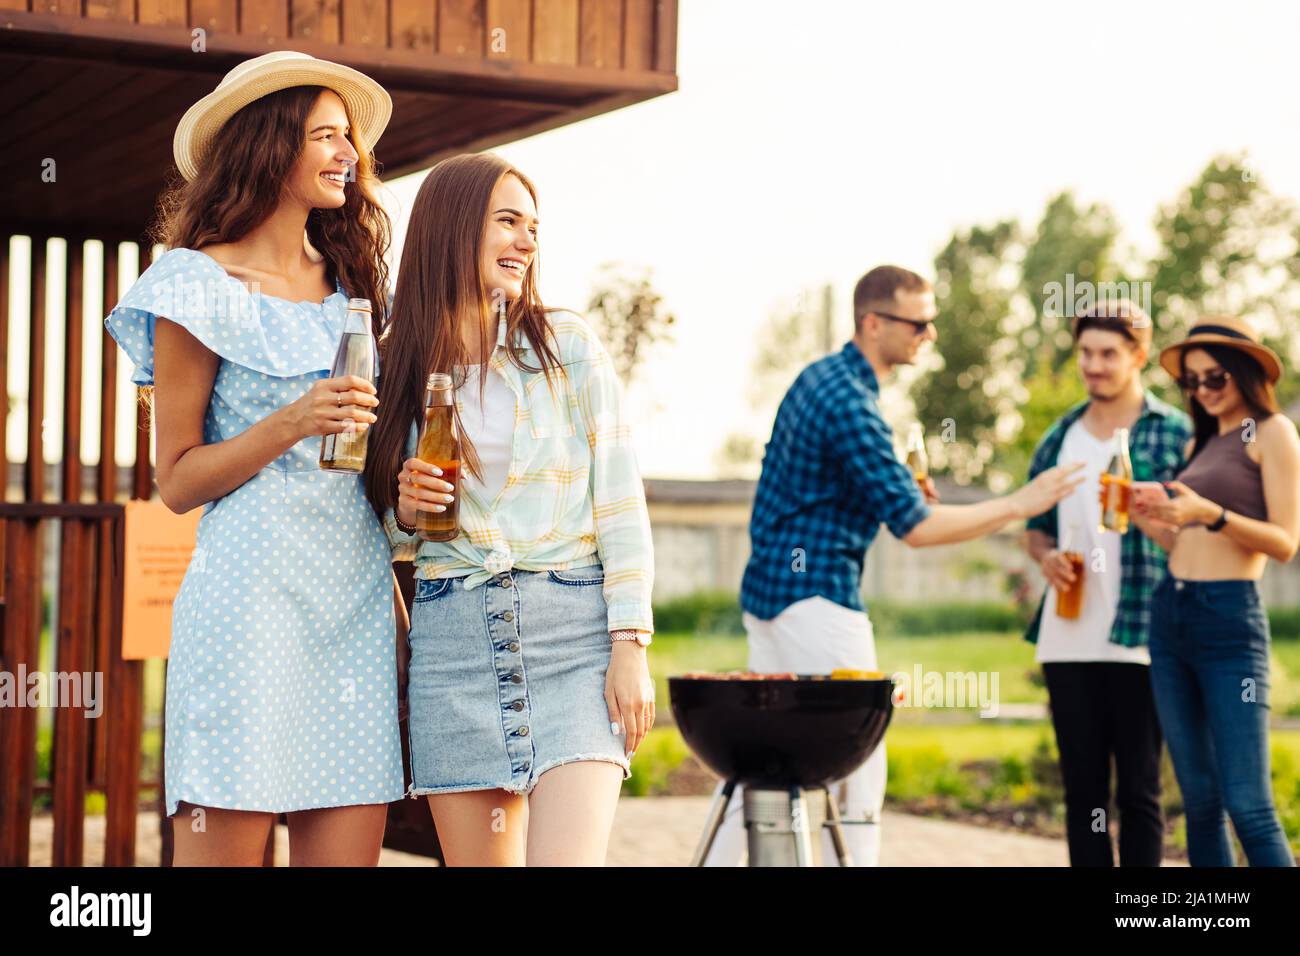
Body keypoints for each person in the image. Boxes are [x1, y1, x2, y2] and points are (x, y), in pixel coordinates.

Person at [104, 51, 405, 865]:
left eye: (351, 139)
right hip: (247, 607)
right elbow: (176, 479)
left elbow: (373, 465)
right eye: (326, 135)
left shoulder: (352, 289)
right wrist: (292, 421)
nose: (348, 154)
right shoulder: (195, 284)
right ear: (271, 146)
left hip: (353, 607)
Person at [703, 265, 1084, 866]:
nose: (929, 334)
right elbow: (917, 528)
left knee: (764, 760)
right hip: (817, 599)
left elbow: (823, 491)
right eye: (919, 322)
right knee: (855, 763)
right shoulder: (850, 402)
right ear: (873, 322)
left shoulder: (821, 381)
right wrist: (1021, 503)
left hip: (773, 595)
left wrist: (894, 492)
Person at [363, 153, 655, 866]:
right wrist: (402, 508)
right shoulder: (392, 361)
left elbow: (621, 505)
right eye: (507, 221)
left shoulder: (569, 350)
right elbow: (372, 531)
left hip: (572, 643)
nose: (526, 241)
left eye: (534, 227)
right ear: (452, 227)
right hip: (453, 645)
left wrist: (630, 647)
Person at [1021, 300, 1192, 866]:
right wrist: (1045, 558)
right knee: (1083, 793)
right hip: (1067, 636)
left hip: (1144, 637)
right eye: (1086, 353)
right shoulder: (1059, 437)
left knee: (1140, 793)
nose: (1093, 365)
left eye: (1108, 354)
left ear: (1138, 356)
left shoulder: (1175, 434)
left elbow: (1193, 540)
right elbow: (1035, 530)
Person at [1135, 316, 1299, 866]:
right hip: (1171, 614)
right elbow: (1183, 543)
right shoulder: (1205, 444)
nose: (1202, 390)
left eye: (1214, 377)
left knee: (1248, 805)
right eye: (1192, 381)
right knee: (1201, 804)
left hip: (1228, 619)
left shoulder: (1273, 431)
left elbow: (1284, 542)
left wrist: (1209, 511)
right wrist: (1144, 517)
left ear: (1246, 373)